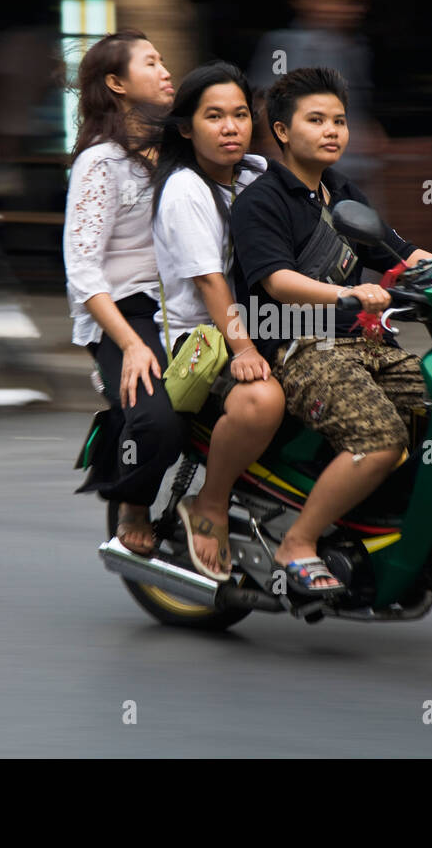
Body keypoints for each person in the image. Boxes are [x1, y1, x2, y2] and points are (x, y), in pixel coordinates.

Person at [229, 67, 432, 595]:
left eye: (339, 121)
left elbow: (396, 250)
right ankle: (297, 542)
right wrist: (347, 295)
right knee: (380, 439)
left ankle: (398, 530)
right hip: (301, 346)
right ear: (281, 131)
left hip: (367, 343)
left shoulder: (343, 192)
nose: (331, 131)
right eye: (316, 120)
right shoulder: (261, 201)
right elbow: (276, 281)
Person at [65, 29, 216, 568]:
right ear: (117, 83)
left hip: (192, 302)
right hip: (125, 314)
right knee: (161, 418)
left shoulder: (184, 152)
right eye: (150, 63)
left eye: (164, 60)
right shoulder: (100, 164)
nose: (166, 71)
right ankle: (132, 502)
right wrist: (130, 344)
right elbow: (82, 271)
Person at [150, 62, 285, 581]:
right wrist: (245, 349)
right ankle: (210, 502)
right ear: (186, 127)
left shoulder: (255, 172)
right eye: (214, 116)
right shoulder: (185, 189)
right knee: (262, 399)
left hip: (262, 322)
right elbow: (210, 283)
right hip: (203, 338)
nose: (231, 127)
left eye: (240, 115)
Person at [246, 0, 387, 203]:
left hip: (355, 171)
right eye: (336, 2)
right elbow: (266, 100)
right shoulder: (287, 44)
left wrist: (370, 130)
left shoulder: (356, 47)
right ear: (308, 2)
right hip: (312, 172)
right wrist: (283, 159)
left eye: (354, 3)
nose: (347, 10)